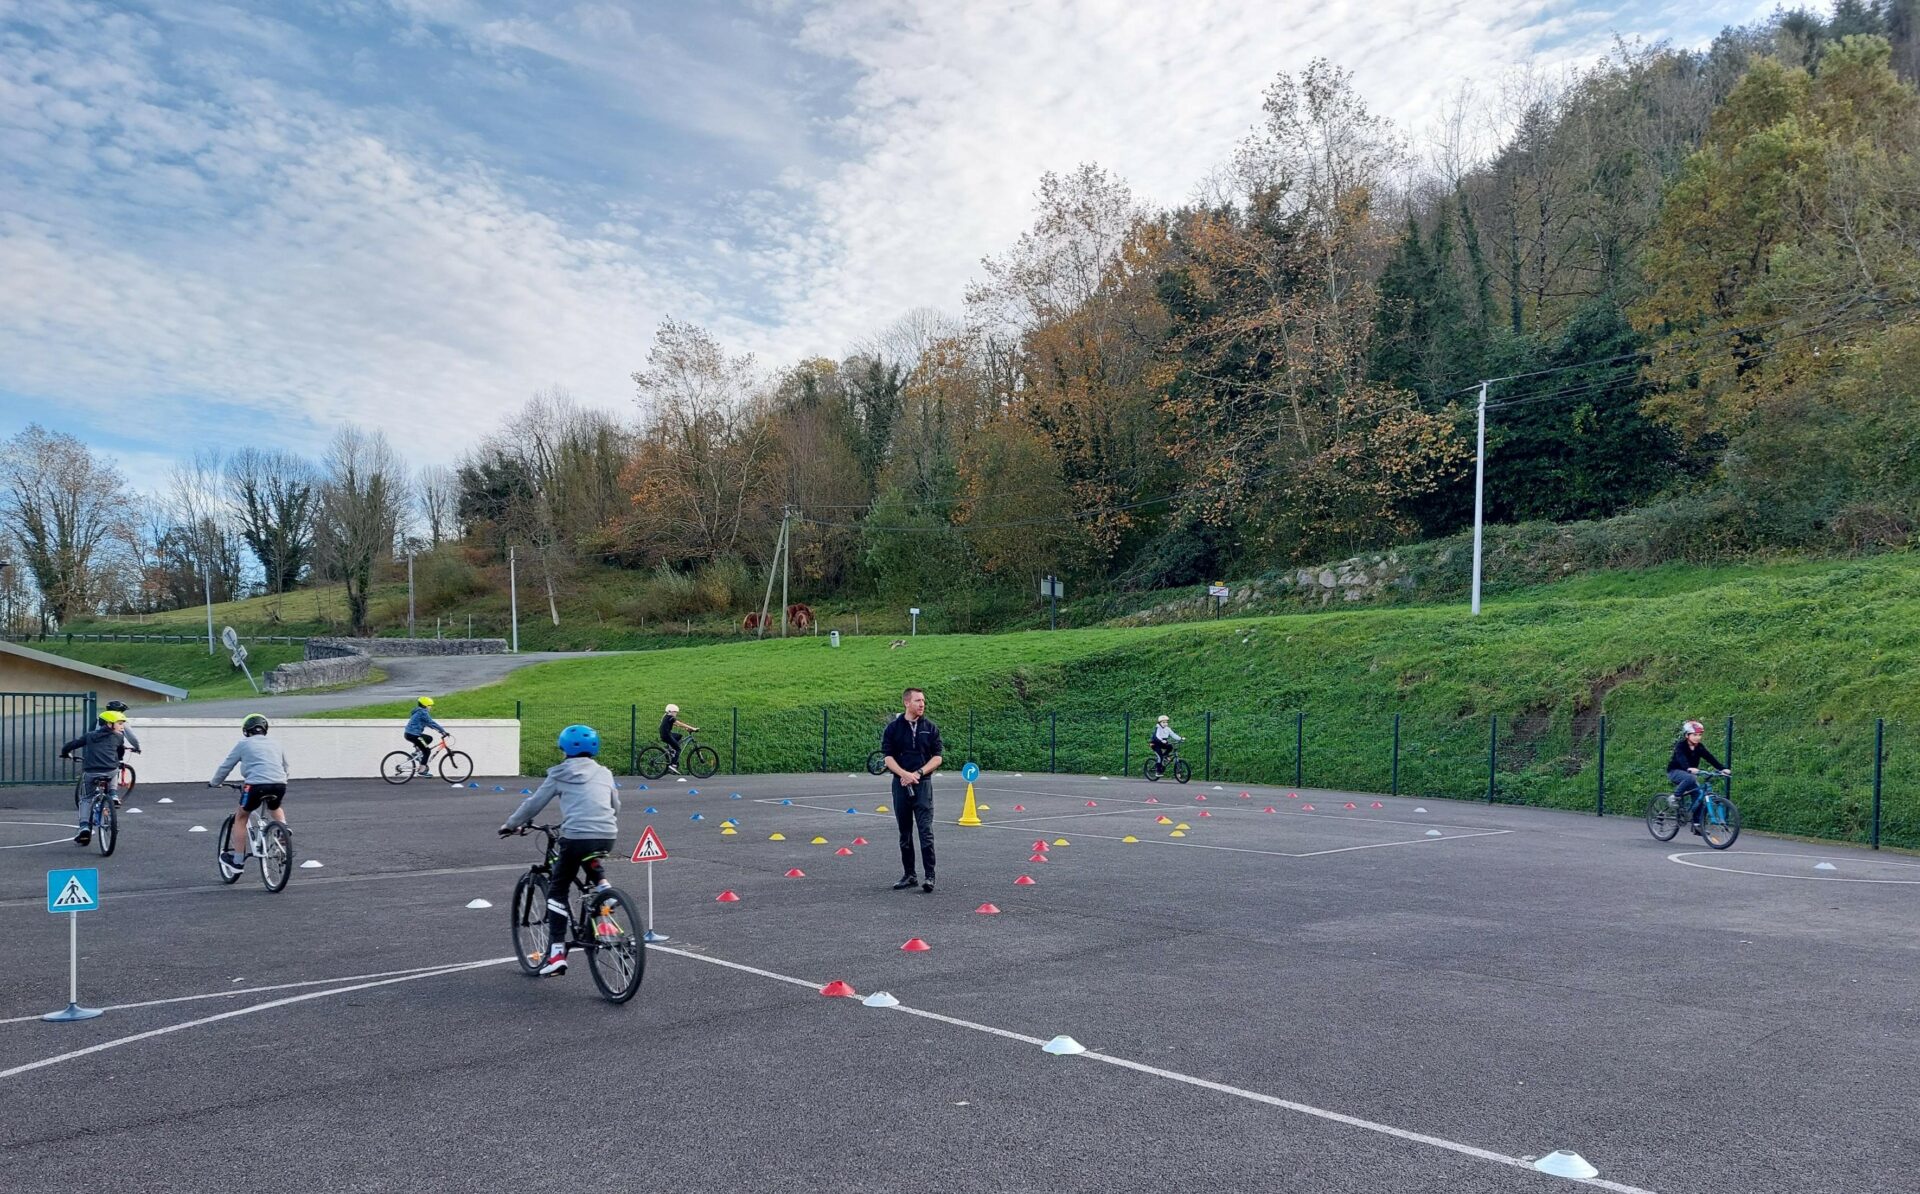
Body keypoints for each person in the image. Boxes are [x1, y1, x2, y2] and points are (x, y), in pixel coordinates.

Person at [499, 724, 620, 977]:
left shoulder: (560, 774)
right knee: (588, 854)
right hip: (607, 834)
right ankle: (604, 888)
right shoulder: (605, 773)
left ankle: (556, 954)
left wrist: (511, 825)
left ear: (564, 748)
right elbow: (615, 804)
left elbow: (533, 804)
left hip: (576, 836)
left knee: (557, 890)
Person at [208, 714, 292, 875]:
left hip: (255, 786)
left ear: (246, 730)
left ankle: (237, 861)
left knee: (241, 817)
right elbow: (286, 767)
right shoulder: (276, 744)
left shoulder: (243, 744)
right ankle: (283, 828)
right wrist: (281, 780)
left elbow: (226, 766)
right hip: (279, 784)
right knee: (275, 806)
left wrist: (215, 782)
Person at [881, 686, 943, 893]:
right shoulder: (893, 728)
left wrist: (918, 773)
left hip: (923, 786)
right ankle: (909, 875)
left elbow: (937, 757)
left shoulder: (930, 728)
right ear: (907, 703)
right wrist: (904, 774)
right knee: (905, 833)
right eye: (918, 700)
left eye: (923, 700)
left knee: (926, 831)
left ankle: (930, 876)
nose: (922, 704)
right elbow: (888, 757)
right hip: (900, 786)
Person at [59, 709, 129, 846]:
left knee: (86, 799)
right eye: (119, 723)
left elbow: (71, 745)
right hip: (110, 770)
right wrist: (118, 758)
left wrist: (65, 753)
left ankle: (84, 826)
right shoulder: (118, 737)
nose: (122, 726)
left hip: (91, 772)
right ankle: (113, 794)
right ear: (109, 724)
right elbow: (120, 752)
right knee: (114, 770)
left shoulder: (90, 736)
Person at [1668, 720, 1730, 835]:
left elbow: (1710, 758)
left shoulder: (1699, 747)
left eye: (1700, 735)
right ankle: (1675, 797)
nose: (1697, 737)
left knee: (1699, 796)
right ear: (1687, 735)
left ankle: (1697, 825)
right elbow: (1681, 759)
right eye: (1694, 734)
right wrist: (1688, 768)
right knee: (1691, 778)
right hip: (1675, 771)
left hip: (1689, 775)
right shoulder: (1681, 746)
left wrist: (1722, 769)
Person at [404, 697, 447, 774]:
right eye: (430, 705)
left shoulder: (418, 711)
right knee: (427, 751)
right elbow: (431, 723)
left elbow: (429, 724)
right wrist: (443, 731)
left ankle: (417, 752)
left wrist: (440, 731)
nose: (431, 707)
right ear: (425, 706)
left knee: (429, 738)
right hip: (414, 735)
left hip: (410, 734)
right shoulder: (423, 713)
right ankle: (422, 771)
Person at [659, 703, 698, 774]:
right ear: (670, 711)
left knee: (679, 736)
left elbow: (675, 724)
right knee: (678, 749)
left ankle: (671, 749)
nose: (676, 713)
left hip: (666, 734)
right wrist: (692, 728)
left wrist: (686, 728)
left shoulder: (666, 716)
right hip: (666, 735)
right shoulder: (670, 717)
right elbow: (679, 723)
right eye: (675, 712)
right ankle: (673, 765)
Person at [103, 700, 142, 767]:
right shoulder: (120, 721)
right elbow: (131, 737)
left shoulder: (101, 719)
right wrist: (137, 747)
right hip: (112, 749)